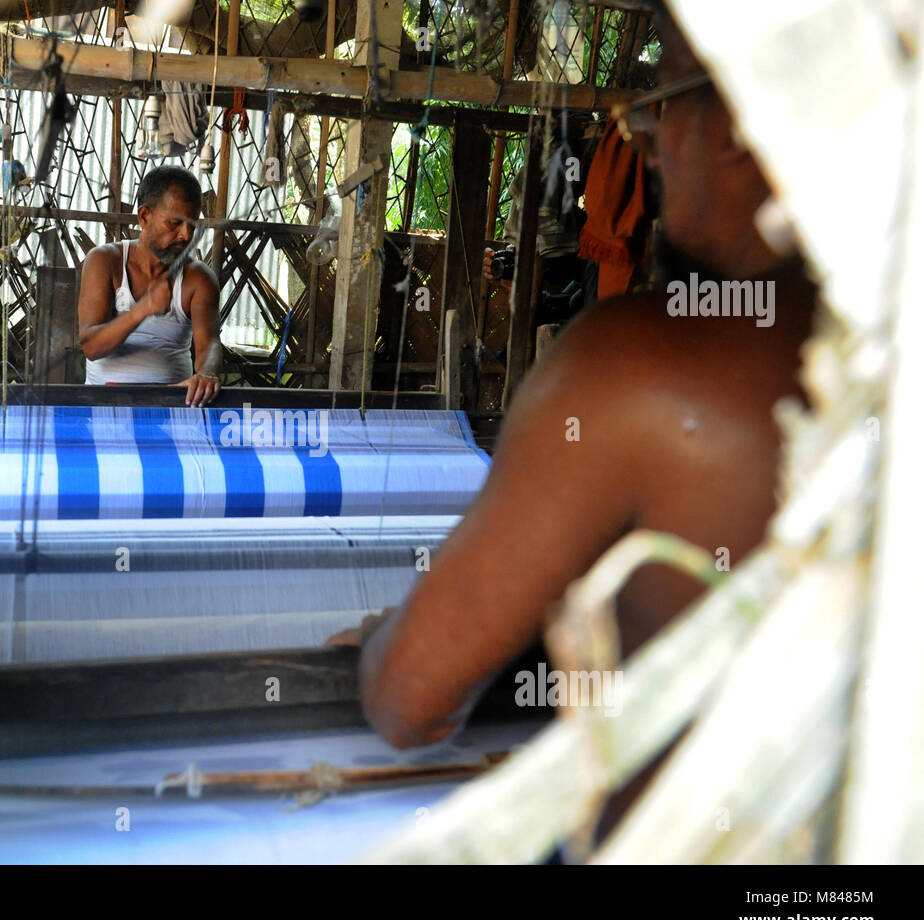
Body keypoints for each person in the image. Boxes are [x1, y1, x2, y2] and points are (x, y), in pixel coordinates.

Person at [333, 7, 819, 760]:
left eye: (659, 99)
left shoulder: (637, 364)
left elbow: (410, 697)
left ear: (736, 120)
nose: (646, 142)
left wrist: (386, 641)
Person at [78, 166, 222, 407]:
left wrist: (206, 372)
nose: (186, 235)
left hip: (174, 404)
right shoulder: (105, 261)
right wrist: (142, 310)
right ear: (144, 216)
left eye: (192, 225)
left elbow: (210, 344)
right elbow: (91, 347)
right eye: (174, 223)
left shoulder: (198, 278)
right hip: (105, 405)